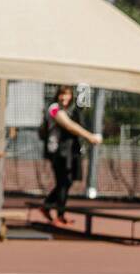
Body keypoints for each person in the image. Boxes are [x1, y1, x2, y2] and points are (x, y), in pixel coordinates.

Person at [40, 84, 103, 224]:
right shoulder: (54, 108)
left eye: (67, 94)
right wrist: (90, 137)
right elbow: (69, 125)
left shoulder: (70, 109)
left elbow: (79, 115)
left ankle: (50, 207)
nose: (64, 97)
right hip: (57, 151)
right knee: (63, 181)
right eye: (62, 94)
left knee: (67, 181)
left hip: (69, 150)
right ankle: (55, 212)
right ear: (57, 95)